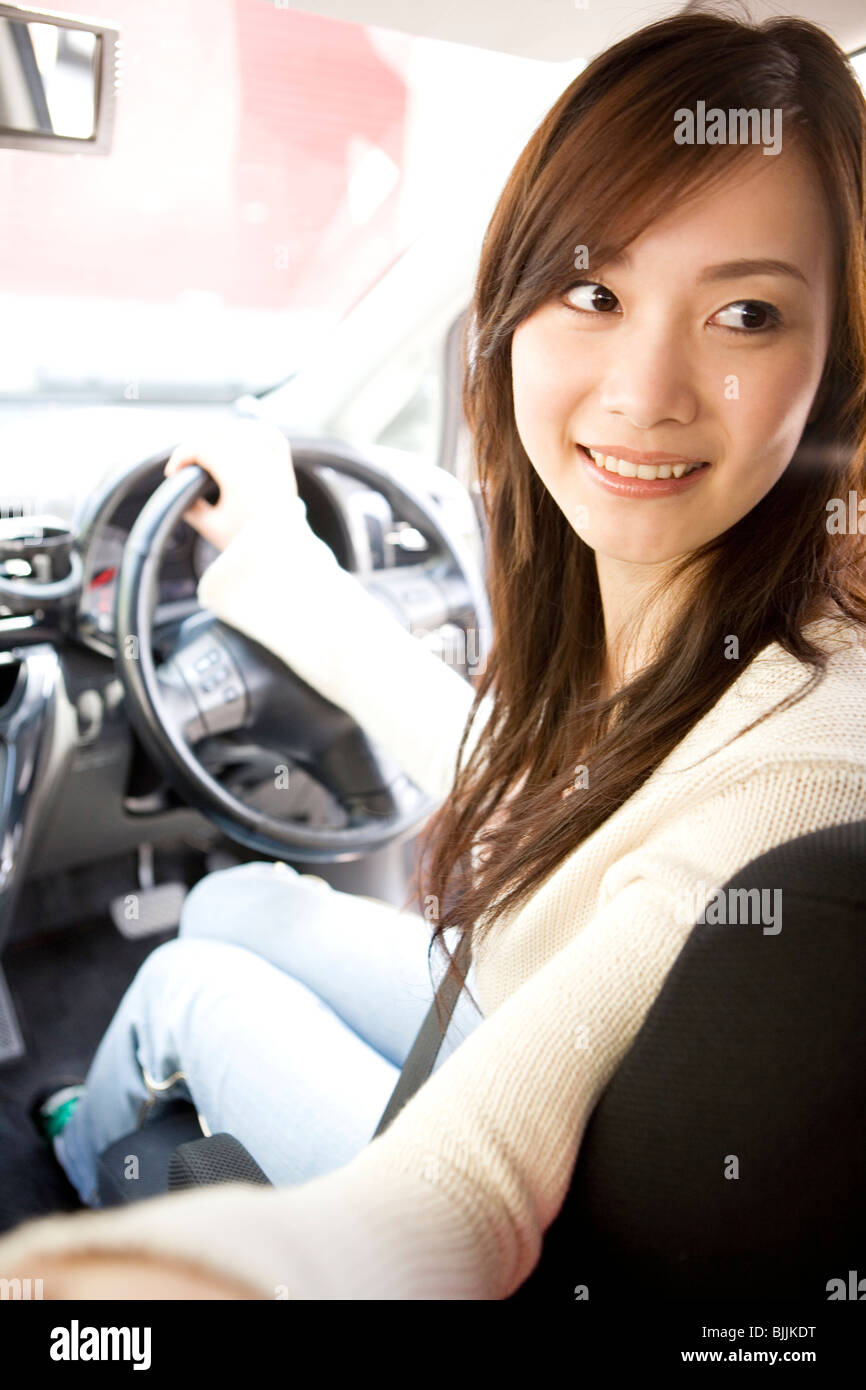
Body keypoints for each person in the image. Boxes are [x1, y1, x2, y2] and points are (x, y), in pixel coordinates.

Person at [2, 10, 866, 1299]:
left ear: (835, 368)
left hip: (531, 1113)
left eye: (746, 313)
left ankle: (77, 1164)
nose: (645, 390)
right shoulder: (705, 608)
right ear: (514, 304)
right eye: (595, 291)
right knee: (235, 902)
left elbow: (461, 1195)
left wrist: (95, 1291)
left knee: (186, 979)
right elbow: (558, 799)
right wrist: (282, 573)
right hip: (515, 998)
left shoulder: (808, 760)